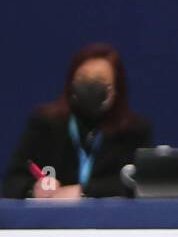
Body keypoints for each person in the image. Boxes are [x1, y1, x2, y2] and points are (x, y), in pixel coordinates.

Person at [2, 43, 153, 199]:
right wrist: (33, 189)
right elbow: (12, 182)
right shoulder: (45, 124)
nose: (90, 86)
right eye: (83, 78)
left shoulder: (133, 130)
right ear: (71, 84)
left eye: (100, 80)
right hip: (52, 220)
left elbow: (140, 183)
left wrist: (83, 191)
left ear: (115, 90)